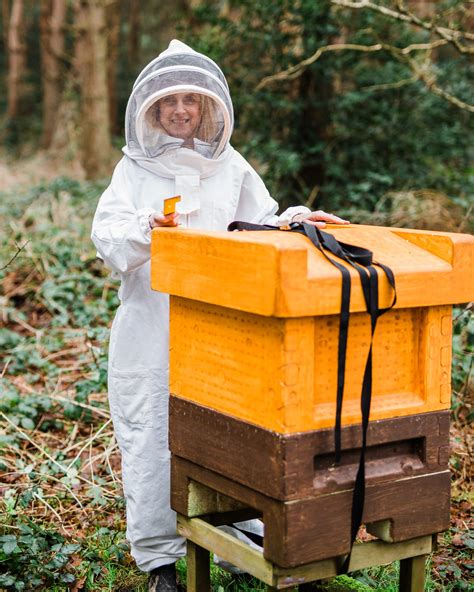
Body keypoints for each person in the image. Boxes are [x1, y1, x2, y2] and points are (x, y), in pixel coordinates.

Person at [91, 39, 349, 592]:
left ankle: (235, 542)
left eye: (191, 99)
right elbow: (106, 239)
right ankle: (160, 561)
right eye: (169, 102)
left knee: (231, 438)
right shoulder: (132, 171)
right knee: (151, 438)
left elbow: (261, 221)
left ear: (208, 106)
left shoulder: (230, 165)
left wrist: (302, 221)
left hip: (223, 333)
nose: (180, 109)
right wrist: (146, 229)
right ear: (152, 111)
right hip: (151, 329)